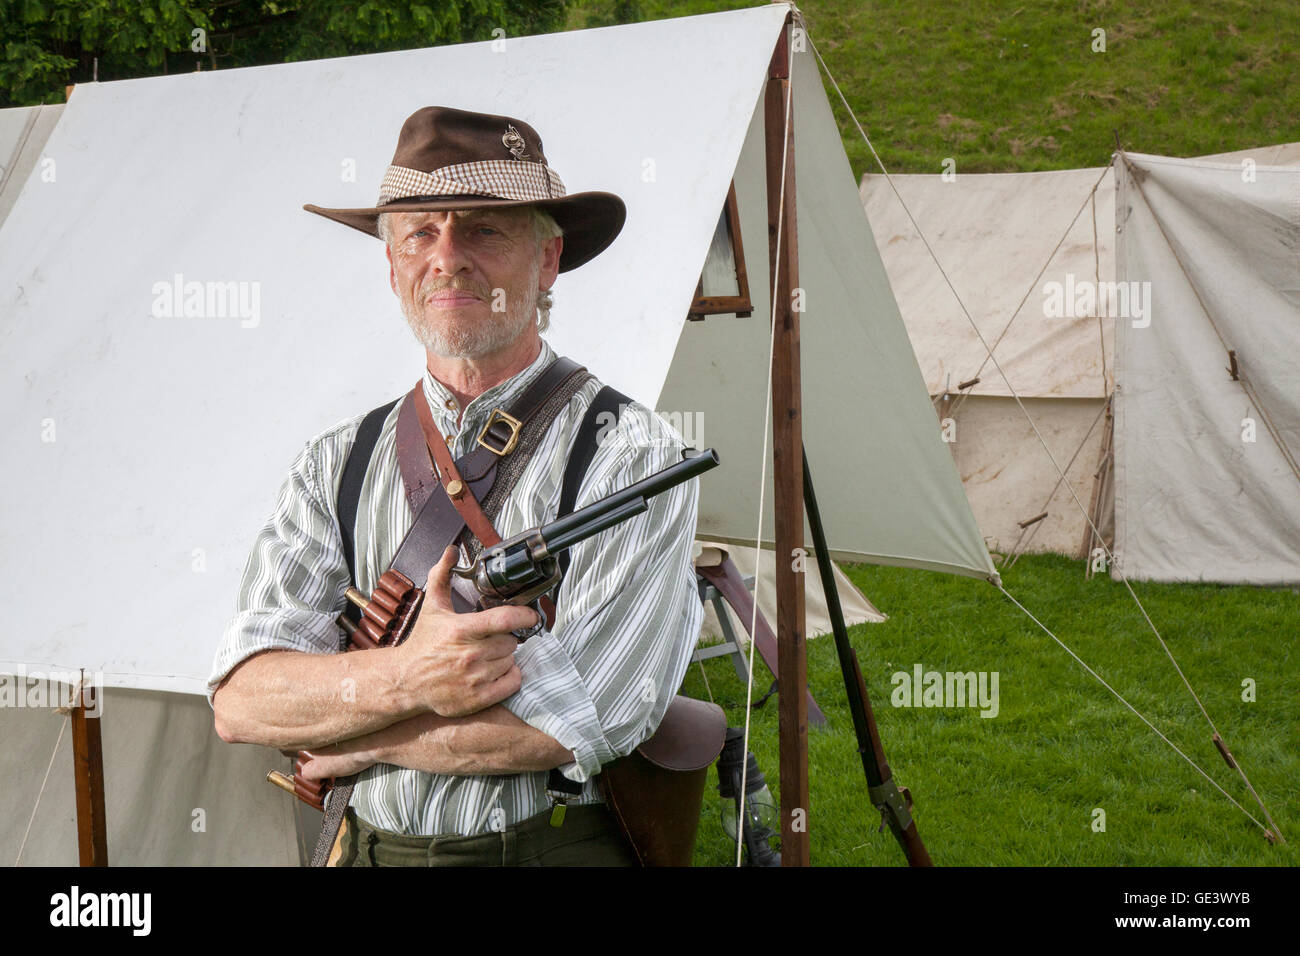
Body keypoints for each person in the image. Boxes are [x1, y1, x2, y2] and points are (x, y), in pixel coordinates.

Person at [208, 106, 704, 866]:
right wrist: (413, 672)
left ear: (547, 261)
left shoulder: (629, 454)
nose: (446, 257)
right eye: (419, 232)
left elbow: (575, 718)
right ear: (394, 264)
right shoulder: (333, 461)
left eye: (483, 228)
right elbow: (245, 700)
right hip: (367, 849)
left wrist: (350, 739)